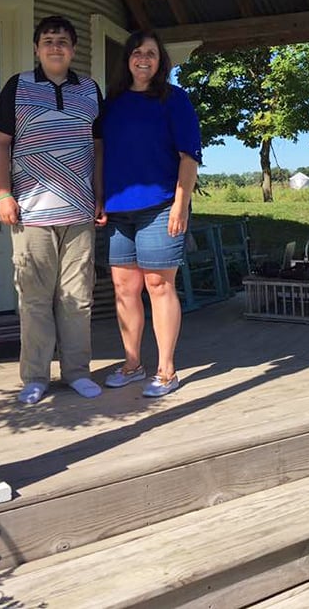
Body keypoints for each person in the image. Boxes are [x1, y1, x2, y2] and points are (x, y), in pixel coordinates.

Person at [0, 15, 105, 405]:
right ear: (37, 49)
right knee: (34, 299)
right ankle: (35, 376)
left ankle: (76, 372)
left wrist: (99, 195)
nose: (56, 47)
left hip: (79, 212)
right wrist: (4, 194)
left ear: (73, 50)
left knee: (78, 298)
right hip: (31, 213)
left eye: (63, 41)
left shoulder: (89, 89)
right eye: (48, 40)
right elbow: (0, 142)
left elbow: (98, 147)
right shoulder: (18, 86)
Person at [101, 30, 201, 397]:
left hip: (161, 207)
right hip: (118, 212)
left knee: (159, 286)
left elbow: (189, 156)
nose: (143, 59)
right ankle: (132, 364)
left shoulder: (174, 100)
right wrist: (100, 198)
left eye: (152, 54)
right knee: (125, 289)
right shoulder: (112, 103)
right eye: (137, 53)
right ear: (127, 58)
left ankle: (166, 371)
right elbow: (101, 154)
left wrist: (180, 204)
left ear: (161, 62)